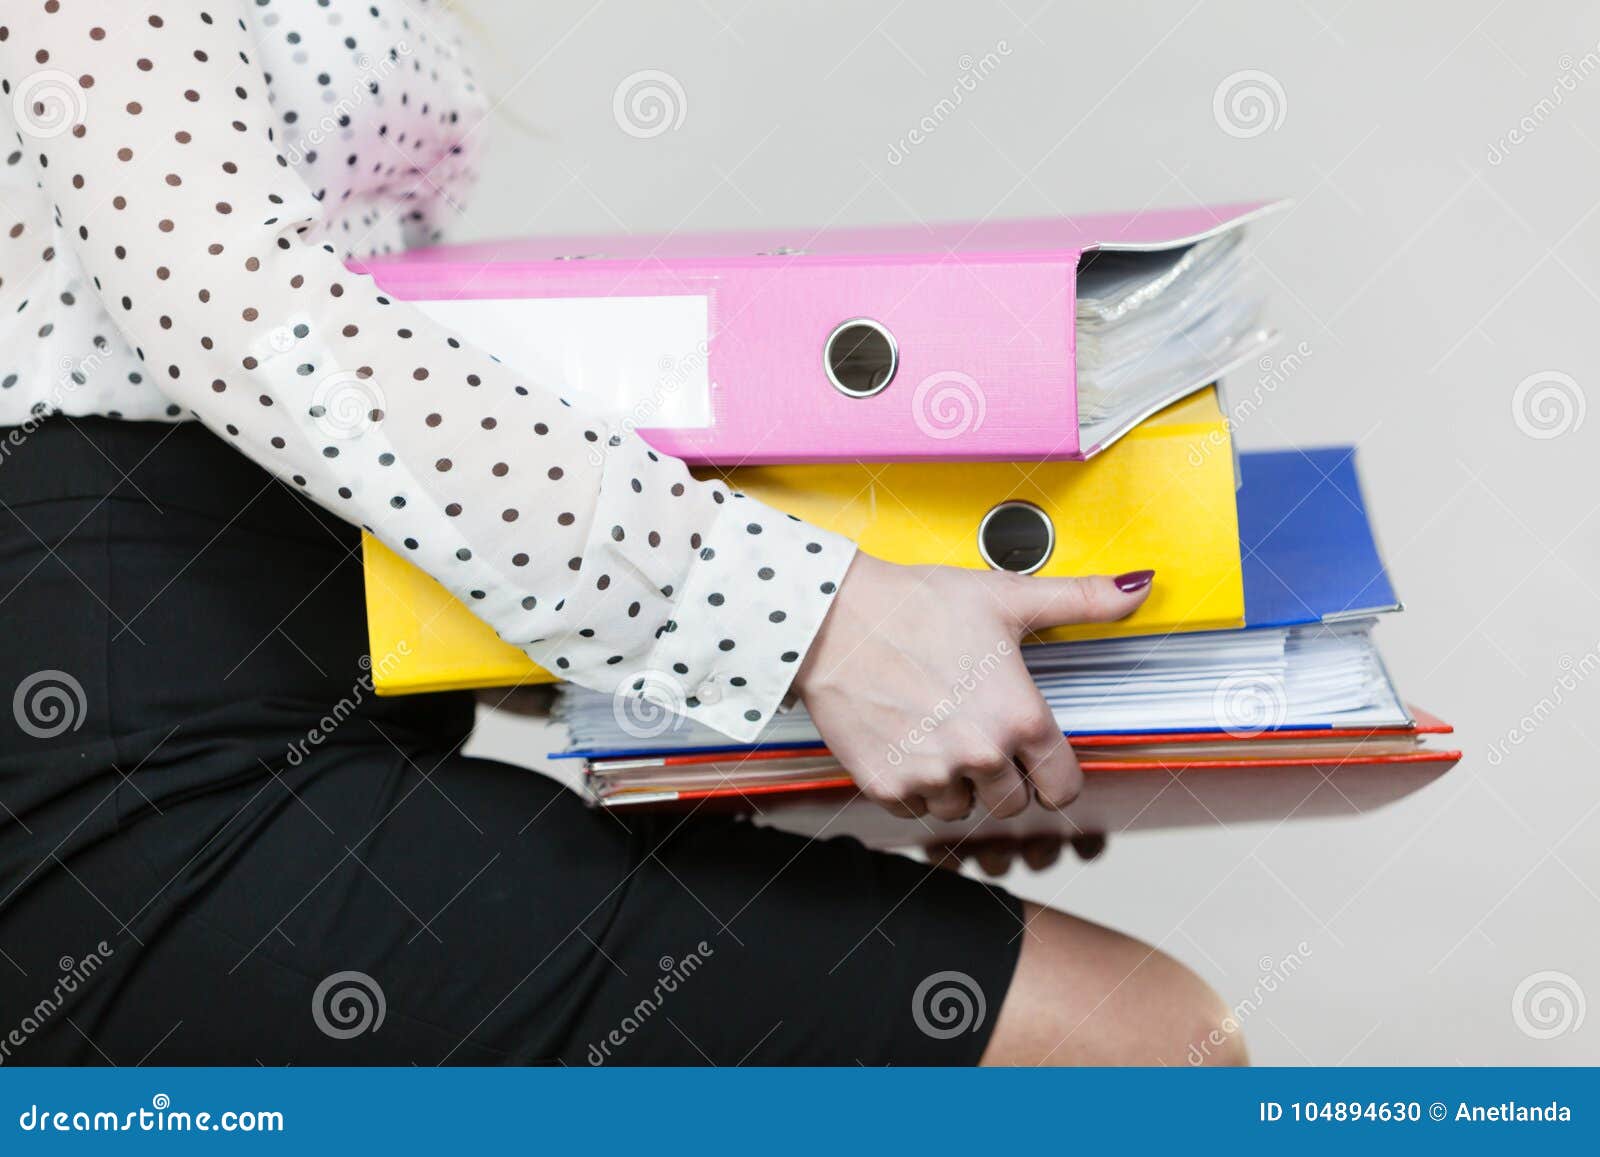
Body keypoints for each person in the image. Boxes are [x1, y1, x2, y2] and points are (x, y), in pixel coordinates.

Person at [0, 0, 1241, 1066]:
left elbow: (350, 455)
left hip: (333, 707)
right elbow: (249, 313)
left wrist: (849, 707)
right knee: (1135, 1042)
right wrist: (813, 620)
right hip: (146, 766)